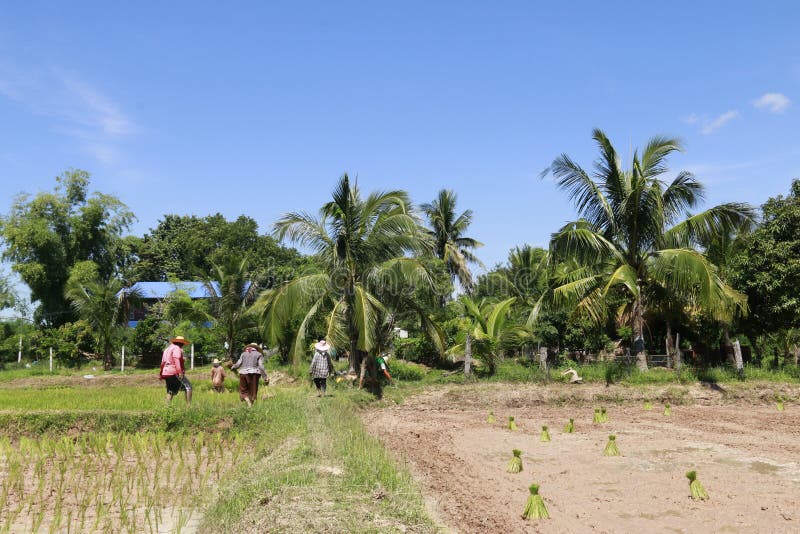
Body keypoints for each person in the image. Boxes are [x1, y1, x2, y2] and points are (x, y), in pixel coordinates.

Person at [231, 342, 268, 407]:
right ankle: (250, 404)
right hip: (254, 374)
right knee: (253, 390)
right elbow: (261, 367)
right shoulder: (259, 354)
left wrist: (232, 367)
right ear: (256, 348)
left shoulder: (243, 354)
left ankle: (248, 402)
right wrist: (265, 377)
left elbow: (238, 364)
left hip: (243, 374)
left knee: (243, 390)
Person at [161, 335, 192, 404]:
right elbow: (176, 360)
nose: (183, 345)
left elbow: (163, 362)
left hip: (166, 372)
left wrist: (161, 373)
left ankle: (166, 408)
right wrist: (180, 372)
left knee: (170, 390)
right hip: (174, 371)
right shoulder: (177, 348)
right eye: (183, 344)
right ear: (180, 343)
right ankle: (189, 406)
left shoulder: (167, 349)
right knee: (188, 387)